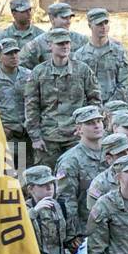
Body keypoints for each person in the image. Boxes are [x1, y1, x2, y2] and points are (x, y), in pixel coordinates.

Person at [25, 29, 101, 170]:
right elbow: (31, 106)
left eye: (67, 43)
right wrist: (35, 137)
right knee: (46, 179)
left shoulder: (83, 70)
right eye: (60, 43)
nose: (65, 46)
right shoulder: (39, 72)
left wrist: (89, 130)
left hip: (76, 136)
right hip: (49, 138)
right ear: (50, 46)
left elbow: (95, 101)